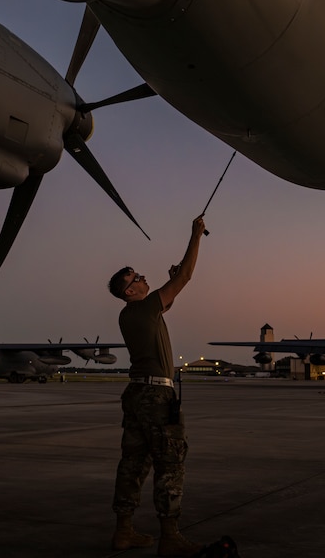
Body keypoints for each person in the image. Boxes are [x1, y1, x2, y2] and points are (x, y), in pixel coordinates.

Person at [107, 215, 206, 556]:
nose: (144, 278)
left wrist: (171, 281)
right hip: (156, 396)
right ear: (129, 291)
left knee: (133, 463)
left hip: (136, 394)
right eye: (137, 278)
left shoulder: (131, 314)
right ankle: (171, 537)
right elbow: (187, 277)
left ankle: (124, 531)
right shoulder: (144, 308)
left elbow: (169, 299)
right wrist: (195, 235)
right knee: (170, 464)